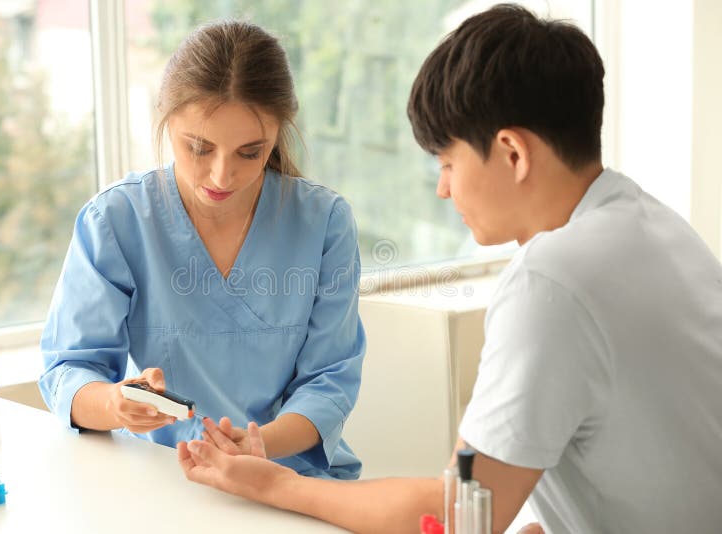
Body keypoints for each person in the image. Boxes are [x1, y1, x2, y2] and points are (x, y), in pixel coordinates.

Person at [176, 4, 722, 533]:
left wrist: (271, 484)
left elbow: (458, 516)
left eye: (447, 163)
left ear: (513, 153)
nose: (443, 188)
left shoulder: (551, 281)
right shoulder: (657, 227)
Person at [39, 21, 366, 481]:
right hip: (164, 481)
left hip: (289, 480)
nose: (220, 176)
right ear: (166, 117)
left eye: (250, 153)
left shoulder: (324, 222)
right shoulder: (116, 220)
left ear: (279, 133)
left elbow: (329, 382)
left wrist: (258, 445)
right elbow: (70, 368)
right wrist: (117, 404)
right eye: (199, 147)